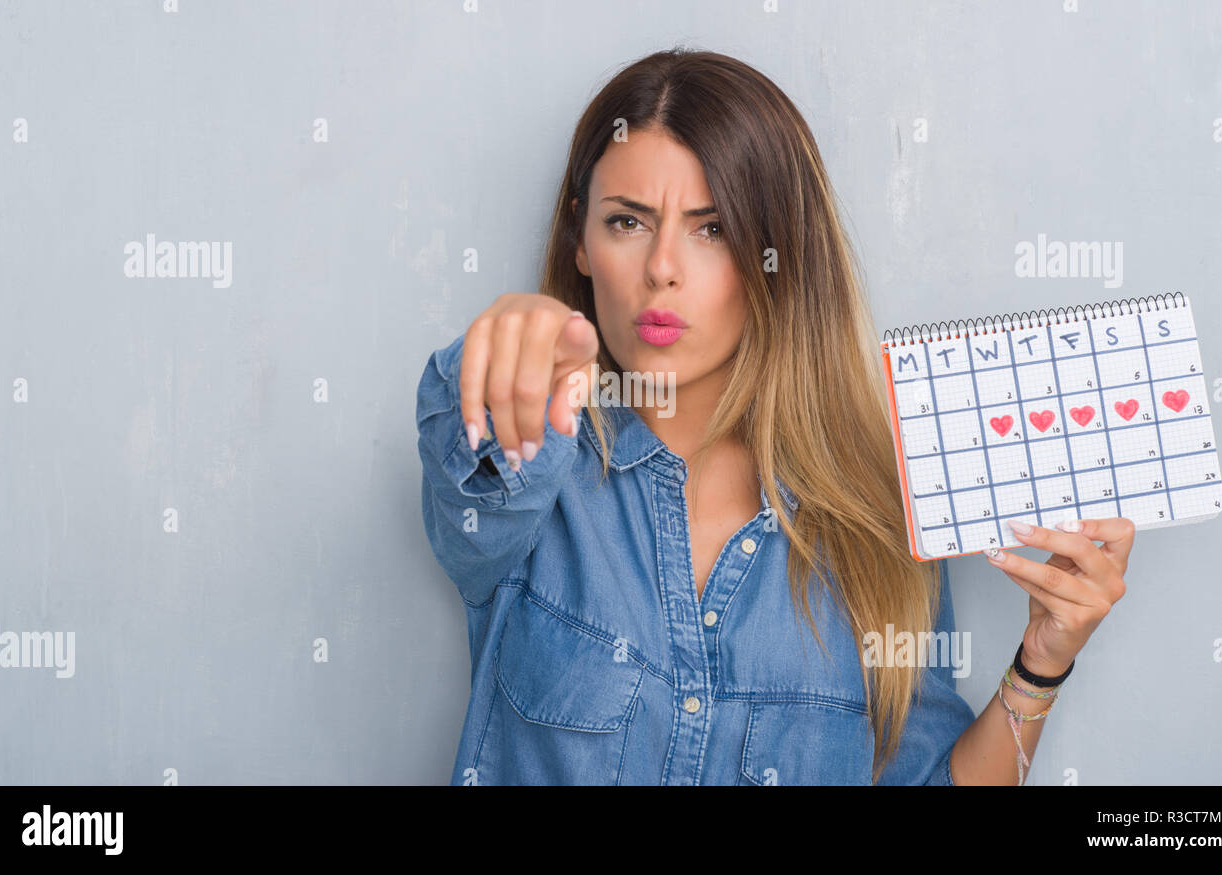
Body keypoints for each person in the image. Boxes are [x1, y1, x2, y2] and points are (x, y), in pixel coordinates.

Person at [415, 47, 1132, 785]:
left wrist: (1041, 666)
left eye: (713, 228)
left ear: (776, 257)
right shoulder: (529, 468)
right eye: (628, 221)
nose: (662, 266)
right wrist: (500, 343)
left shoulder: (882, 527)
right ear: (581, 241)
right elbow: (461, 452)